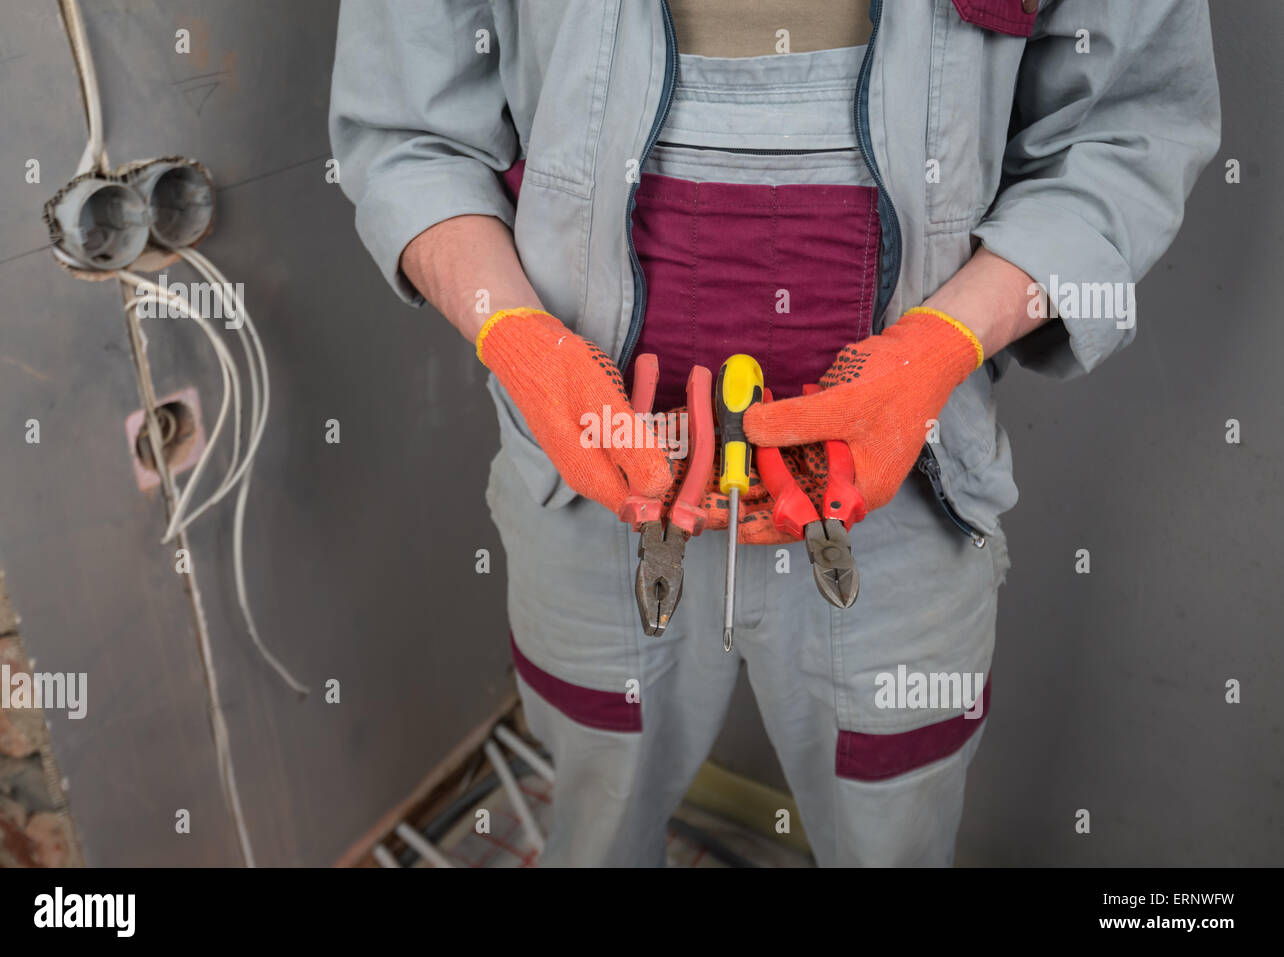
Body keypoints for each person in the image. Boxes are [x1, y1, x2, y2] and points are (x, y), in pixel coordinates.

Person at [329, 0, 1220, 866]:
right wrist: (513, 336)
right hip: (587, 479)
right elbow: (410, 131)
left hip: (910, 486)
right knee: (595, 819)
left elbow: (1126, 136)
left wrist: (948, 342)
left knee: (892, 834)